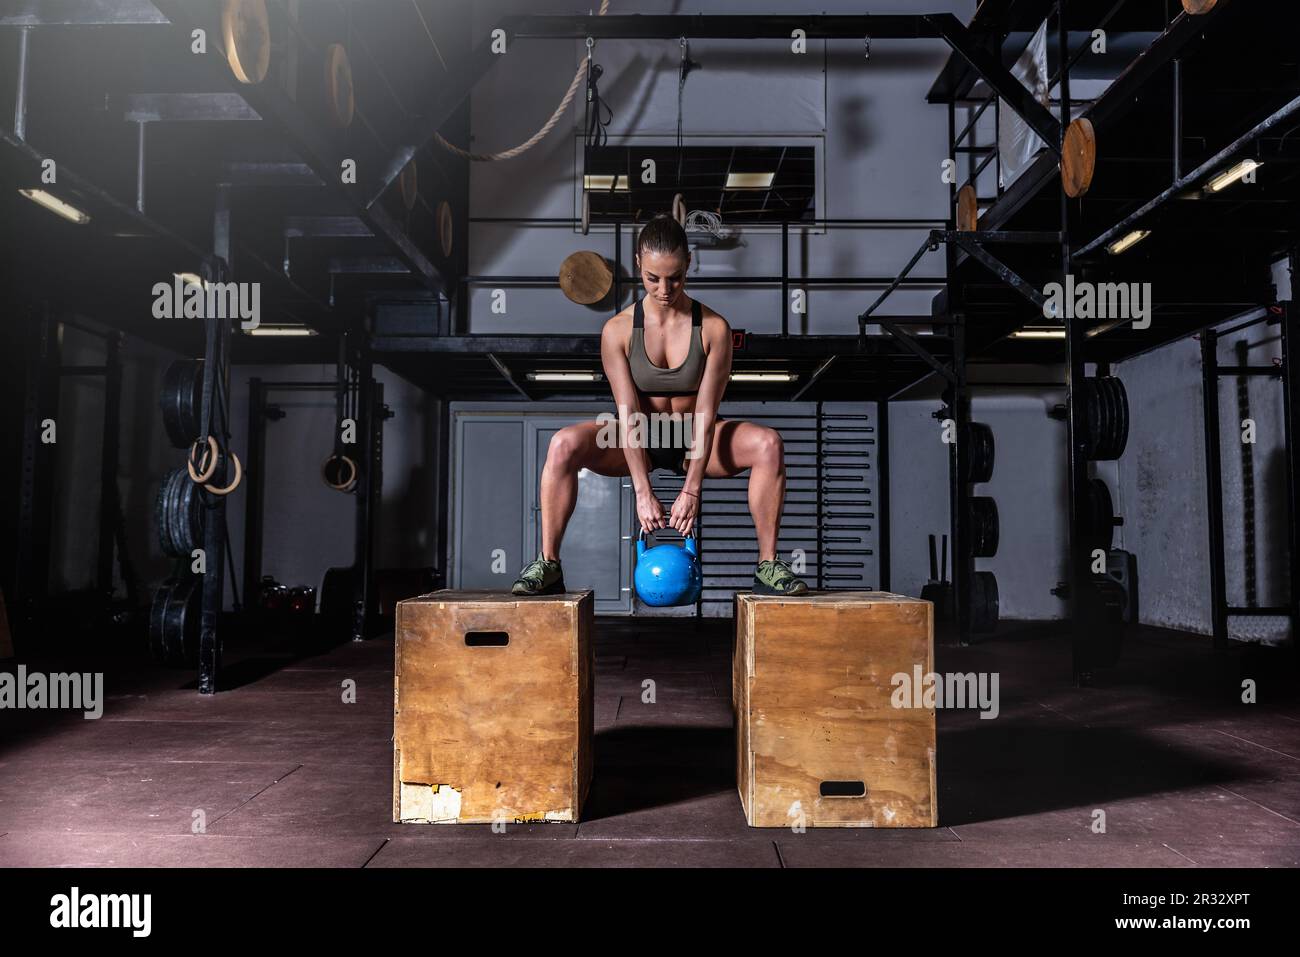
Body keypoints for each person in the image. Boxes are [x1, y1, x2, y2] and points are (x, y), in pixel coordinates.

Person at [512, 214, 808, 597]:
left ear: (688, 264)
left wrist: (692, 489)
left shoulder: (714, 328)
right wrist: (642, 490)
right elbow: (628, 414)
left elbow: (705, 413)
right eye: (653, 278)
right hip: (638, 437)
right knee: (562, 445)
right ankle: (548, 563)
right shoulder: (617, 331)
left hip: (695, 439)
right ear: (639, 263)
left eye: (675, 277)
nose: (664, 288)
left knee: (768, 444)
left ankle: (768, 563)